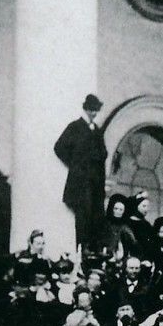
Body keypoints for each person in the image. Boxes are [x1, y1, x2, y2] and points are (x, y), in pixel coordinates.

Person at [53, 94, 111, 252]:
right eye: (91, 110)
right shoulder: (75, 127)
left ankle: (94, 250)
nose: (94, 113)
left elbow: (103, 153)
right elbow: (59, 147)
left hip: (96, 182)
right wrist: (76, 165)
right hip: (82, 183)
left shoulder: (97, 130)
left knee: (96, 216)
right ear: (85, 109)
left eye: (96, 110)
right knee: (83, 216)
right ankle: (82, 249)